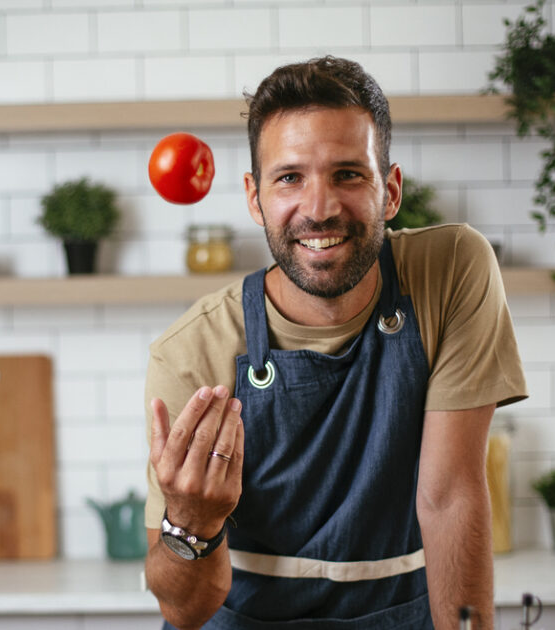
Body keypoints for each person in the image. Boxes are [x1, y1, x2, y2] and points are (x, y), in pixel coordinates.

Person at [142, 56, 527, 630]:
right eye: (289, 178)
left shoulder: (449, 271)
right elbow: (185, 609)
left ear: (390, 191)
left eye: (348, 174)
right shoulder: (192, 352)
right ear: (254, 198)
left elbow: (449, 498)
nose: (319, 209)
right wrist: (192, 521)